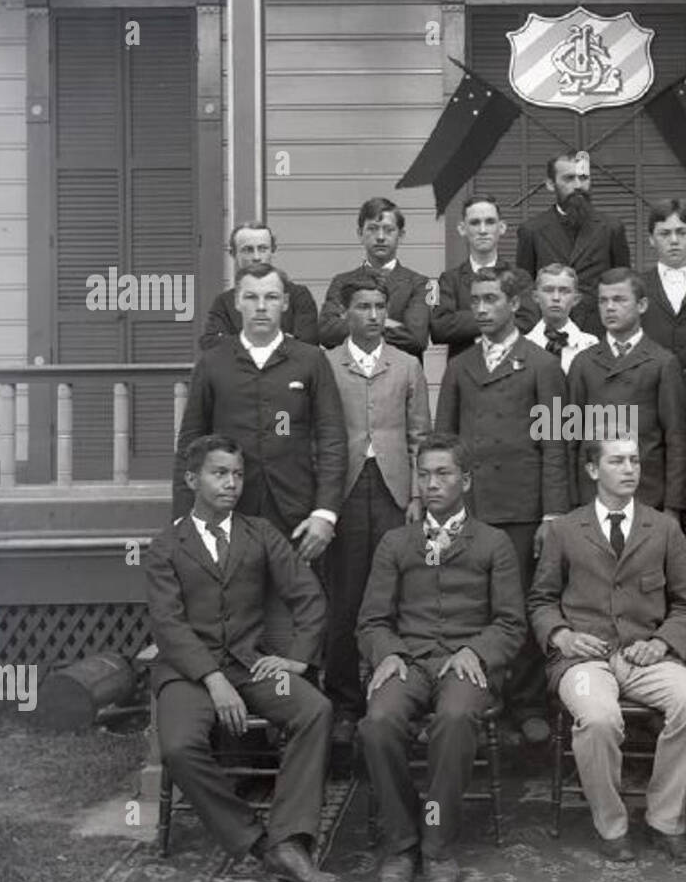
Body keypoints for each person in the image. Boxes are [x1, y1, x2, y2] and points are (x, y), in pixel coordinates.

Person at [146, 434, 335, 882]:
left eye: (237, 474)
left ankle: (290, 840)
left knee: (315, 710)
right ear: (192, 479)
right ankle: (255, 840)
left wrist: (297, 661)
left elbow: (309, 597)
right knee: (178, 747)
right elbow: (168, 626)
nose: (231, 483)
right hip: (187, 673)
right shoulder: (166, 545)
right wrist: (212, 679)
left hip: (252, 666)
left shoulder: (260, 534)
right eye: (219, 473)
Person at [528, 432, 686, 863]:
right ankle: (611, 826)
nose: (630, 469)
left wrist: (663, 641)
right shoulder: (565, 530)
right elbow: (540, 600)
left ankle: (665, 819)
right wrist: (562, 636)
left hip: (646, 655)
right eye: (617, 461)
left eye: (634, 460)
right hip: (584, 659)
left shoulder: (664, 528)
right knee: (597, 718)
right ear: (593, 470)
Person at [357, 434, 526, 882]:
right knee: (377, 723)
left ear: (466, 481)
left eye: (444, 474)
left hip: (466, 664)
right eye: (425, 474)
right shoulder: (395, 542)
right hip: (409, 661)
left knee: (454, 719)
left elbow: (512, 623)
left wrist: (476, 651)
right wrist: (388, 653)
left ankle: (436, 845)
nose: (432, 484)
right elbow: (371, 620)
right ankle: (402, 840)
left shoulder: (494, 543)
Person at [434, 267, 570, 743]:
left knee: (524, 604)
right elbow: (443, 445)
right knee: (475, 603)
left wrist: (552, 514)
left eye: (491, 299)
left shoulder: (542, 365)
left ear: (515, 304)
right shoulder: (458, 368)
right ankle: (484, 691)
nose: (482, 308)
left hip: (522, 507)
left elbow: (557, 444)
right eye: (476, 300)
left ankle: (529, 702)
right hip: (471, 509)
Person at [322, 273, 431, 756]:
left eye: (378, 307)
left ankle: (400, 699)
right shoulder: (325, 364)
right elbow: (319, 438)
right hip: (344, 491)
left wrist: (417, 496)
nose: (371, 315)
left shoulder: (406, 366)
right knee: (345, 599)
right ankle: (345, 704)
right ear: (346, 314)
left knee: (397, 594)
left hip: (393, 490)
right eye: (362, 307)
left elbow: (420, 437)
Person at [173, 262, 346, 559]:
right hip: (227, 513)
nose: (262, 307)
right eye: (252, 297)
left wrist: (325, 512)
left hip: (297, 515)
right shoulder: (213, 362)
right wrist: (182, 517)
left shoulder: (310, 360)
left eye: (272, 297)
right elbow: (190, 443)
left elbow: (332, 439)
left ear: (286, 303)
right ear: (238, 302)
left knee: (299, 601)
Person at [565, 268, 686, 519]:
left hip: (646, 497)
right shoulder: (582, 362)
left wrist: (673, 507)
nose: (609, 307)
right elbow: (566, 437)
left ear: (642, 305)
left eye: (619, 299)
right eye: (603, 300)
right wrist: (567, 502)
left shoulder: (663, 362)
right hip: (591, 498)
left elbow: (677, 439)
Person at [515, 151, 630, 336]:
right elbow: (525, 292)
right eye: (569, 178)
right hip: (548, 336)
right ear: (551, 184)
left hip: (599, 333)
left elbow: (623, 286)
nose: (578, 185)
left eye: (584, 178)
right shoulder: (531, 231)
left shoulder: (612, 229)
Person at [319, 197, 430, 357]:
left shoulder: (421, 283)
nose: (380, 237)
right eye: (372, 229)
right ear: (360, 234)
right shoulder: (341, 282)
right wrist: (389, 323)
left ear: (401, 235)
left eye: (388, 229)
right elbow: (326, 333)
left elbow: (417, 339)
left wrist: (356, 321)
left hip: (400, 376)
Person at [431, 193, 538, 360]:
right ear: (462, 229)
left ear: (501, 227)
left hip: (512, 370)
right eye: (475, 223)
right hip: (464, 373)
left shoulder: (521, 278)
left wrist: (463, 318)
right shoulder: (447, 280)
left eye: (489, 222)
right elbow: (439, 328)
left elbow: (528, 321)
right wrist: (501, 315)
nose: (482, 230)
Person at [199, 221, 319, 352]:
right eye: (248, 250)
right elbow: (210, 344)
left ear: (273, 251)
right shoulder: (224, 302)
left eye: (262, 249)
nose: (256, 257)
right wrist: (280, 340)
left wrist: (236, 341)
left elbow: (307, 345)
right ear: (233, 254)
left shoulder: (297, 296)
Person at [638, 199, 686, 370]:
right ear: (651, 239)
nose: (674, 240)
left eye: (681, 232)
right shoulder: (637, 287)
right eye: (664, 234)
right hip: (651, 385)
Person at [524, 263, 599, 373]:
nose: (556, 298)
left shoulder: (591, 346)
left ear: (576, 299)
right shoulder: (521, 347)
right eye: (548, 290)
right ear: (535, 297)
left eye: (564, 291)